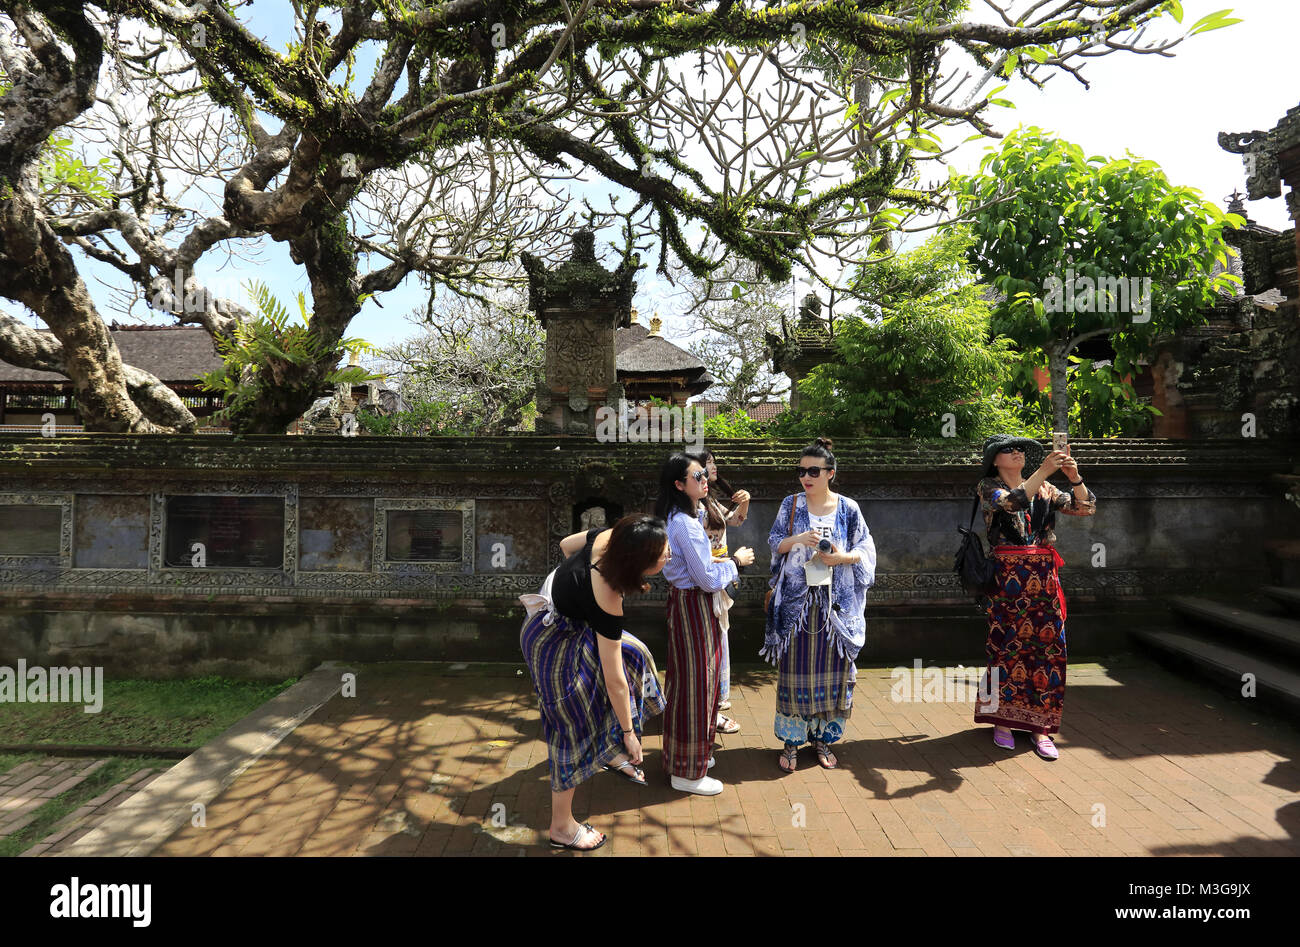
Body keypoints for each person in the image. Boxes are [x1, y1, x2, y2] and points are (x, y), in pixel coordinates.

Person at [518, 513, 671, 850]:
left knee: (637, 654)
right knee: (572, 723)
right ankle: (561, 827)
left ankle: (610, 748)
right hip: (550, 642)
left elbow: (564, 545)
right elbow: (615, 679)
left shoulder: (609, 538)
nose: (669, 555)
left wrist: (575, 591)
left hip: (572, 623)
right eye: (663, 553)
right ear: (638, 560)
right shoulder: (607, 594)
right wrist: (630, 732)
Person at [972, 434, 1097, 761]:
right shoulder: (987, 486)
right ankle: (1002, 721)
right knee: (1005, 646)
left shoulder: (1047, 488)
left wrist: (1075, 478)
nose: (1016, 454)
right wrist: (1042, 471)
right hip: (1008, 577)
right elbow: (1013, 501)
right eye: (1008, 451)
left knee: (1047, 649)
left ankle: (1040, 726)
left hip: (1043, 577)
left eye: (1019, 450)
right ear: (995, 460)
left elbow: (1086, 508)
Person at [763, 437, 876, 772]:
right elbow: (774, 543)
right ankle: (792, 742)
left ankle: (824, 738)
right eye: (801, 471)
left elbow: (866, 550)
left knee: (833, 675)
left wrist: (841, 558)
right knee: (795, 672)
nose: (805, 477)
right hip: (797, 605)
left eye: (813, 470)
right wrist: (797, 540)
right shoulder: (791, 504)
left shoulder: (848, 508)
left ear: (831, 473)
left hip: (835, 607)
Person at [655, 453, 755, 795]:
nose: (704, 479)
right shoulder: (683, 522)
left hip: (689, 605)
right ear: (679, 484)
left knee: (693, 682)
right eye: (697, 475)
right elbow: (707, 577)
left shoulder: (689, 514)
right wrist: (736, 563)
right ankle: (687, 772)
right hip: (695, 605)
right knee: (698, 684)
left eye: (704, 473)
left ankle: (688, 756)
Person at [686, 448, 751, 733]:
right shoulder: (693, 509)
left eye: (713, 462)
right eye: (706, 463)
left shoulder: (708, 500)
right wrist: (730, 560)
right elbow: (695, 553)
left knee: (720, 638)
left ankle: (715, 701)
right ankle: (709, 707)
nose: (713, 467)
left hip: (722, 572)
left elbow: (735, 520)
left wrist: (745, 502)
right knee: (710, 643)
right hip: (711, 574)